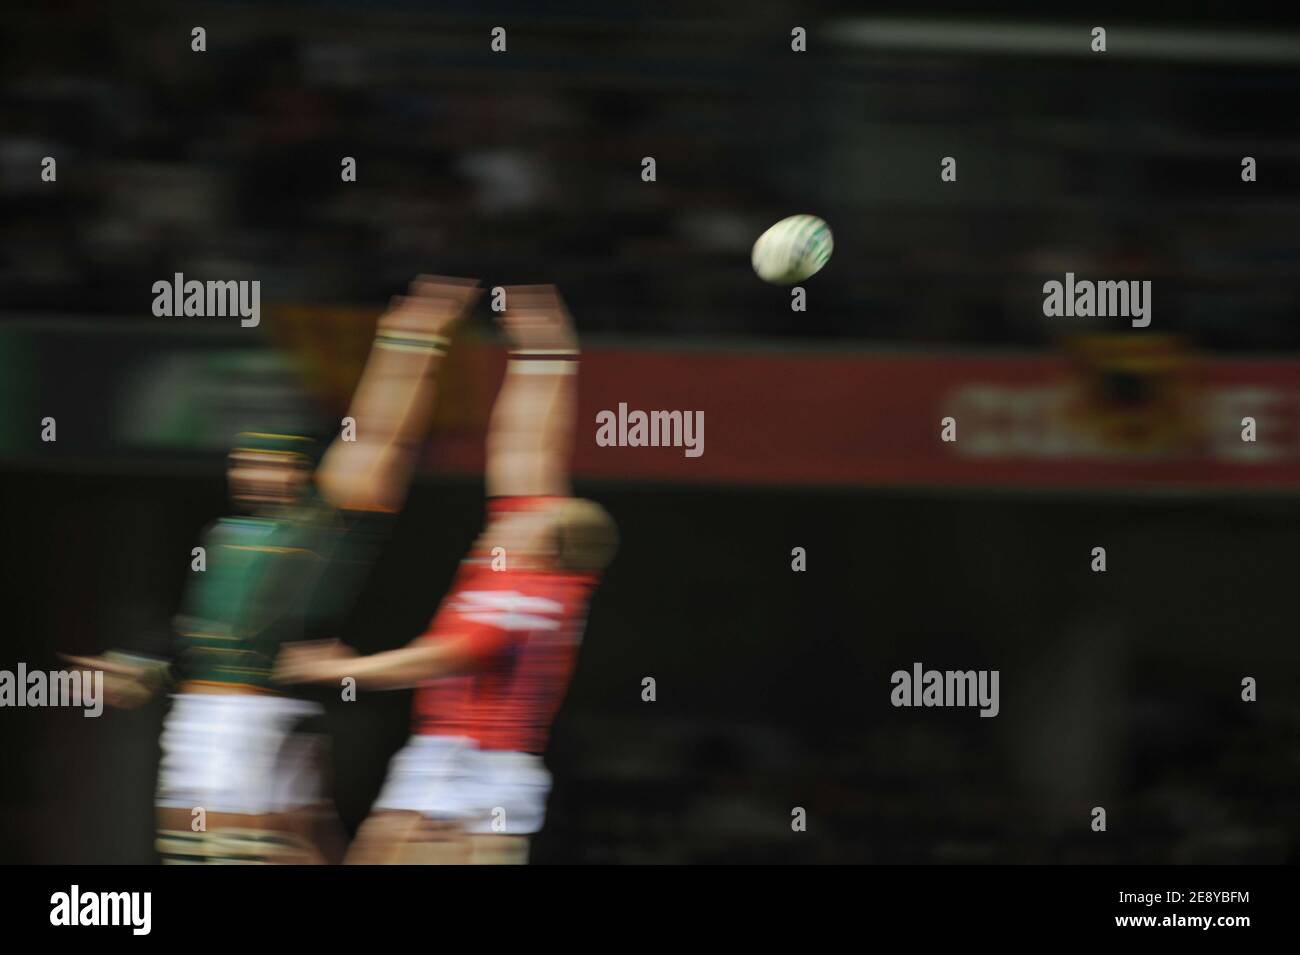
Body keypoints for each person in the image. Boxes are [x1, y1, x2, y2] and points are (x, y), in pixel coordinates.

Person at [66, 276, 480, 863]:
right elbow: (201, 632)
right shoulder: (226, 535)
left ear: (302, 469)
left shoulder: (324, 522)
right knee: (256, 849)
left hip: (250, 711)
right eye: (246, 461)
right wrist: (143, 667)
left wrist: (409, 341)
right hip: (211, 710)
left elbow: (384, 434)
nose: (255, 473)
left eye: (273, 462)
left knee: (227, 850)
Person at [277, 285, 617, 864]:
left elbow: (442, 657)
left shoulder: (534, 598)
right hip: (456, 757)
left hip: (478, 762)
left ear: (548, 548)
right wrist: (546, 354)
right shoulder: (521, 560)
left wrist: (343, 670)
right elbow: (527, 447)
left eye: (531, 521)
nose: (510, 517)